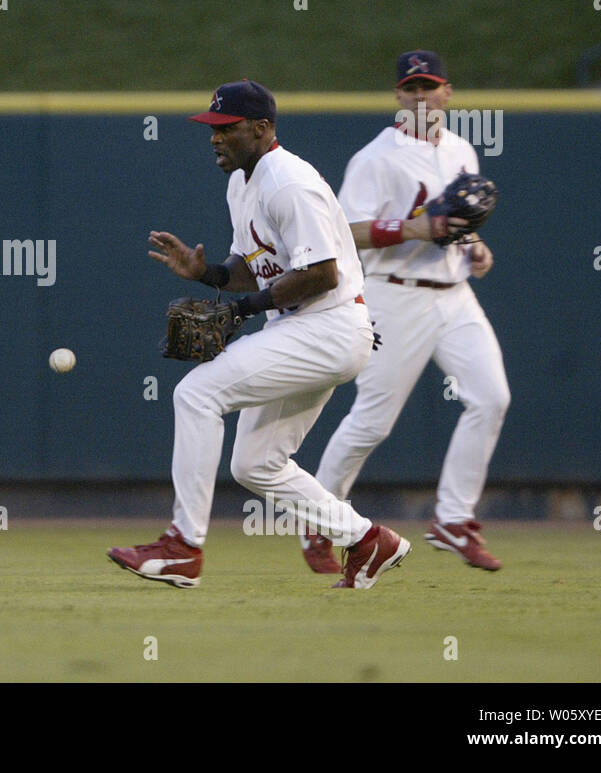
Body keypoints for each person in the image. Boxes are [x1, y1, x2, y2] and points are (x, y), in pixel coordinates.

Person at [108, 80, 411, 589]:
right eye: (212, 129)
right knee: (256, 464)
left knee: (197, 394)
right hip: (311, 327)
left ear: (262, 128)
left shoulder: (289, 182)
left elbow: (321, 273)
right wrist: (210, 275)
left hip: (327, 325)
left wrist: (243, 310)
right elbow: (260, 268)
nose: (215, 139)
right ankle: (365, 539)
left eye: (227, 129)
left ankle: (182, 547)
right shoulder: (242, 183)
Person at [303, 51, 509, 574]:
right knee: (372, 422)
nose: (420, 97)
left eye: (430, 87)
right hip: (394, 293)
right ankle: (321, 518)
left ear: (447, 93)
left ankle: (454, 520)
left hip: (454, 293)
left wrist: (473, 245)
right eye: (411, 88)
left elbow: (457, 220)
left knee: (491, 398)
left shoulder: (462, 149)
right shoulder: (376, 157)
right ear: (398, 96)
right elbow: (344, 232)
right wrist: (411, 229)